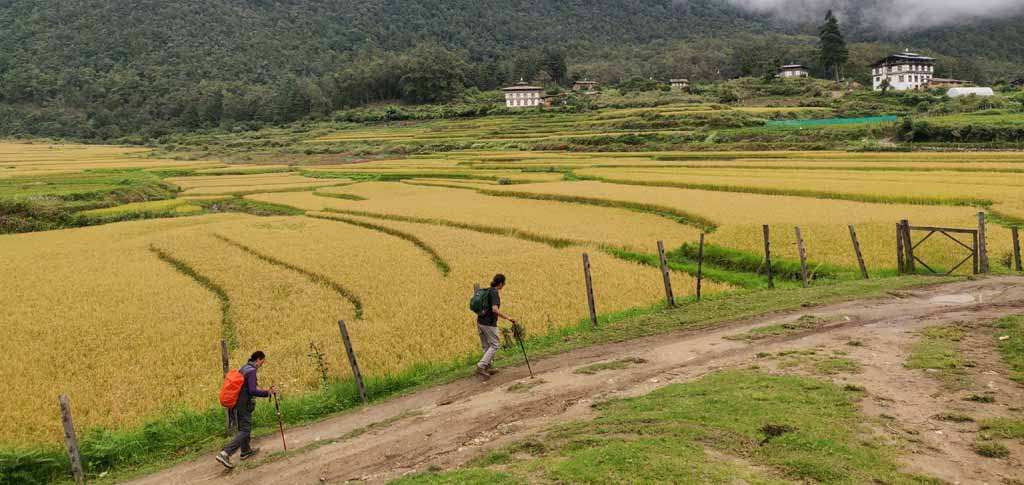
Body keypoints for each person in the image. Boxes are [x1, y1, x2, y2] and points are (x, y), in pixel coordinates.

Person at [216, 351, 277, 469]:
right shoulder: (252, 371)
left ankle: (245, 451)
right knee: (245, 430)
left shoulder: (244, 367)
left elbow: (246, 387)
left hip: (237, 403)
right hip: (243, 404)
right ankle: (225, 453)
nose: (262, 364)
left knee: (244, 427)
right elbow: (252, 390)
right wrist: (267, 392)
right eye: (262, 362)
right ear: (258, 359)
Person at [476, 274, 517, 379]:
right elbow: (495, 309)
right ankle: (481, 366)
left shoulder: (488, 290)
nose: (504, 285)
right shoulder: (494, 293)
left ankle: (488, 367)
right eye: (504, 283)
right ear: (501, 283)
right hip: (489, 323)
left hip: (480, 322)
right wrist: (508, 318)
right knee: (495, 344)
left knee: (486, 346)